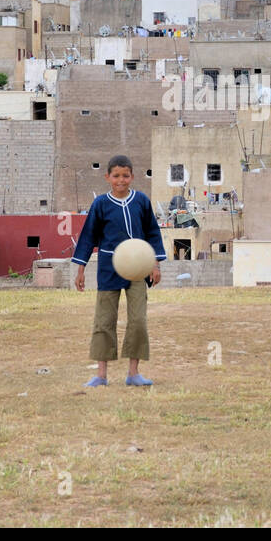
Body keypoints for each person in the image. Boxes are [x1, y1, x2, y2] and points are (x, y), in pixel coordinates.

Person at [72, 156, 165, 387]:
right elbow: (88, 237)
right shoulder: (100, 204)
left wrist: (155, 264)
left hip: (138, 269)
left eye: (125, 175)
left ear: (132, 177)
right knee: (104, 321)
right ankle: (101, 375)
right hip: (108, 267)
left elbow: (152, 232)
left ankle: (133, 373)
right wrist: (80, 269)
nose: (121, 180)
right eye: (116, 176)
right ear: (107, 177)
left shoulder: (141, 201)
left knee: (138, 320)